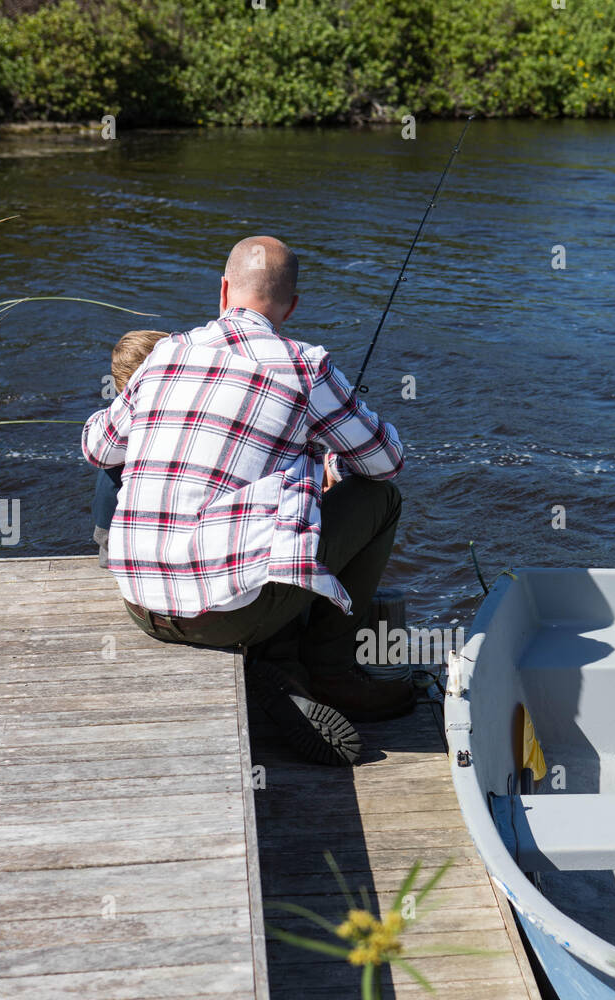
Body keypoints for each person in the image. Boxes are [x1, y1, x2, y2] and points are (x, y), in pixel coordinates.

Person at [81, 235, 413, 766]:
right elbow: (385, 464)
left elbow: (99, 447)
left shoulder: (165, 352)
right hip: (223, 615)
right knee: (382, 500)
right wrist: (322, 452)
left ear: (223, 290)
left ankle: (277, 661)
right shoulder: (305, 365)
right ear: (293, 306)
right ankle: (328, 671)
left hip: (140, 603)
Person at [91, 329, 169, 568]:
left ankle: (110, 551)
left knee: (111, 467)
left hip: (117, 535)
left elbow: (96, 451)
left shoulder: (118, 422)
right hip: (160, 536)